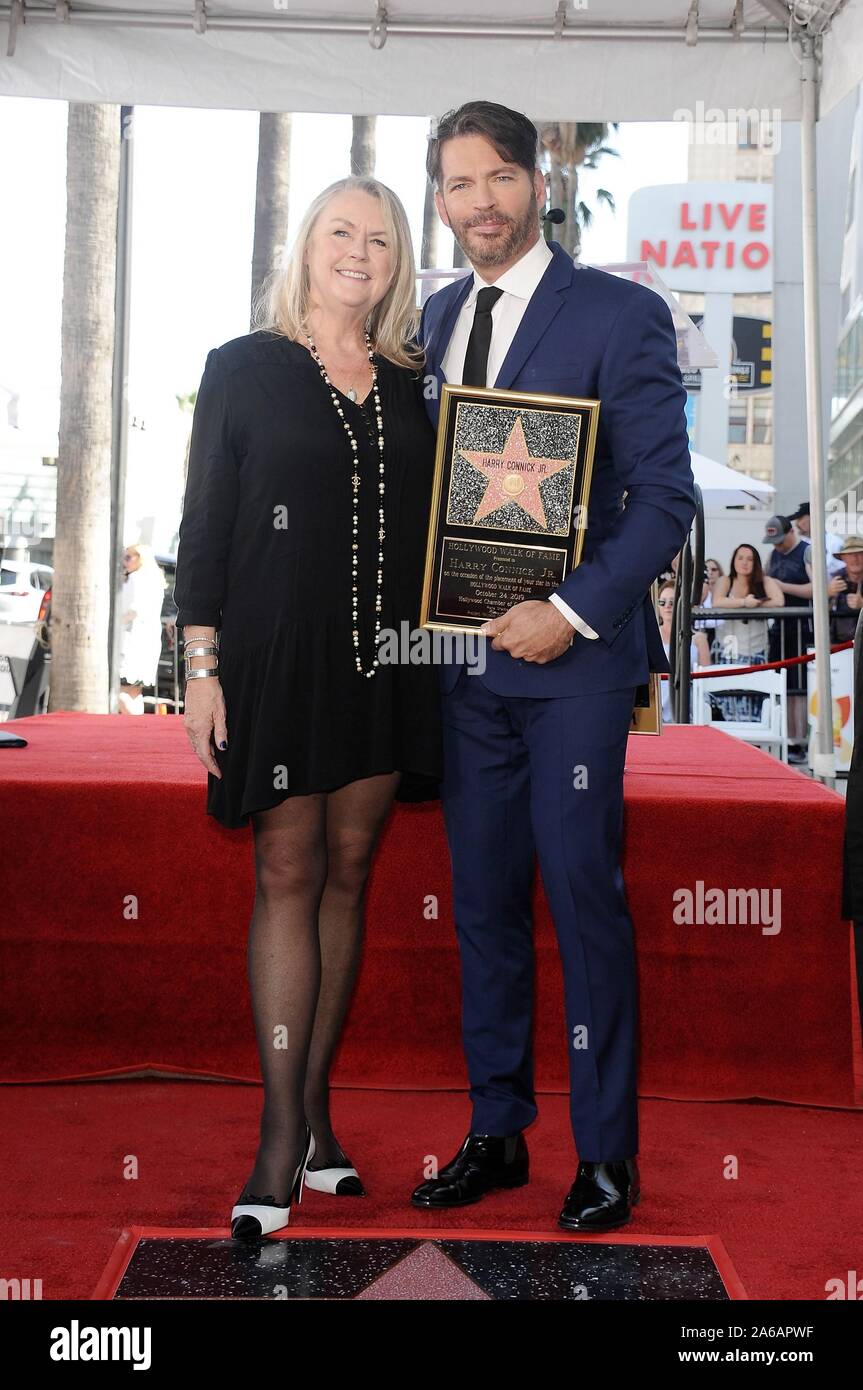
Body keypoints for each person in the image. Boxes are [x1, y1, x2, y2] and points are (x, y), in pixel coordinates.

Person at [411, 100, 696, 1232]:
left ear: (537, 183)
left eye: (495, 179)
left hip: (570, 669)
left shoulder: (620, 314)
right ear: (438, 200)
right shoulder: (429, 319)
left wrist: (569, 611)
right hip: (460, 670)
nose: (476, 202)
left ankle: (606, 1154)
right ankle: (496, 1132)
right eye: (454, 185)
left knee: (582, 904)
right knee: (481, 905)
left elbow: (661, 496)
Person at [172, 176, 443, 1239]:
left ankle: (319, 1119)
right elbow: (203, 524)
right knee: (286, 870)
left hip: (386, 660)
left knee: (348, 872)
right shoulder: (241, 368)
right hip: (276, 660)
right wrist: (200, 661)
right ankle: (280, 1137)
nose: (360, 251)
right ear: (308, 244)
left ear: (396, 261)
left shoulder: (417, 383)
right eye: (342, 231)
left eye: (380, 239)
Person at [709, 543, 784, 724]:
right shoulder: (725, 581)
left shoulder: (764, 582)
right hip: (728, 649)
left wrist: (757, 604)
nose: (744, 563)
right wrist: (744, 602)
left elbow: (779, 601)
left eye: (749, 559)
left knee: (754, 699)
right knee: (728, 698)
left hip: (755, 650)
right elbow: (717, 601)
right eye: (740, 558)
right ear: (733, 560)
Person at [763, 514, 812, 755]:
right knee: (781, 683)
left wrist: (781, 587)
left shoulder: (806, 552)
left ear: (792, 532)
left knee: (799, 687)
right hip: (779, 629)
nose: (778, 546)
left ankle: (798, 739)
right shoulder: (773, 555)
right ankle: (784, 735)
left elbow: (818, 588)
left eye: (781, 540)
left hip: (803, 628)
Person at [118, 543, 166, 714]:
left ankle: (133, 727)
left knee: (120, 692)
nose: (125, 561)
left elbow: (133, 610)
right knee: (133, 693)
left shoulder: (136, 578)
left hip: (132, 639)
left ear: (140, 557)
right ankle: (136, 729)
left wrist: (114, 625)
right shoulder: (155, 578)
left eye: (128, 557)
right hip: (149, 639)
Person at [656, 581, 710, 723]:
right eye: (662, 602)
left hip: (689, 703)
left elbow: (707, 680)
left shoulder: (699, 639)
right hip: (658, 703)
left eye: (672, 602)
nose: (667, 606)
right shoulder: (651, 636)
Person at [827, 534, 863, 644]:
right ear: (843, 558)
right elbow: (817, 612)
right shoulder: (834, 578)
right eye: (850, 554)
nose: (855, 559)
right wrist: (827, 594)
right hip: (839, 644)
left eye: (859, 554)